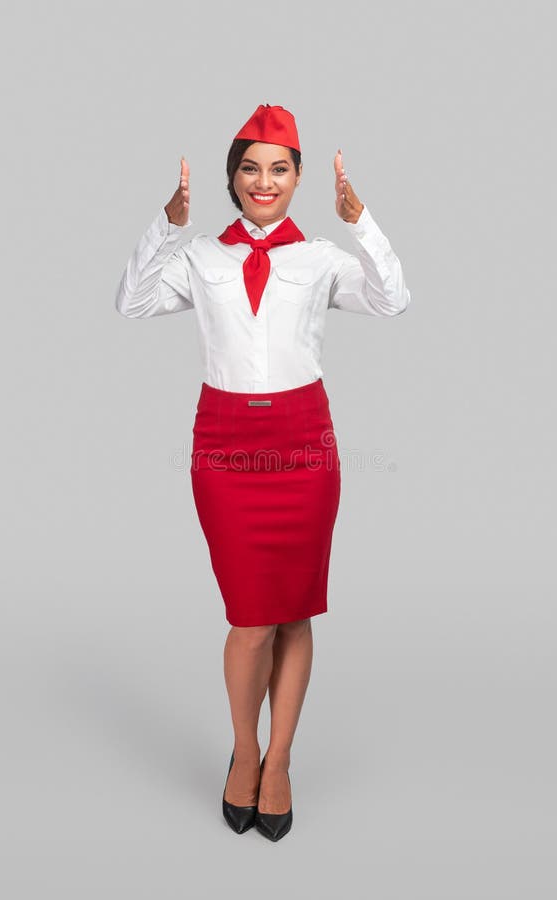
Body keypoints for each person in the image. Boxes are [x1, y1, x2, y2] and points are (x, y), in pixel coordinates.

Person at [115, 103, 411, 842]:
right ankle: (242, 751)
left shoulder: (318, 260)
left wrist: (360, 221)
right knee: (250, 620)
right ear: (232, 178)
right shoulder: (201, 258)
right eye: (250, 168)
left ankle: (277, 762)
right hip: (224, 448)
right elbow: (131, 302)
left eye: (279, 169)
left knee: (296, 611)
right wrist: (167, 224)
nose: (264, 181)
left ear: (300, 178)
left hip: (303, 445)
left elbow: (392, 299)